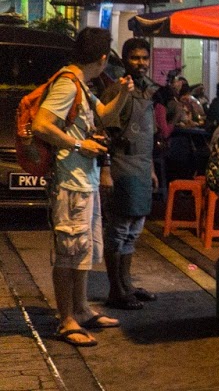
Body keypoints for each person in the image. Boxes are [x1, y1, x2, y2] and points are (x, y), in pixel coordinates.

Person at [32, 28, 132, 348]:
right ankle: (66, 320)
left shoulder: (81, 86)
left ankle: (82, 308)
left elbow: (103, 117)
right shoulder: (67, 84)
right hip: (70, 184)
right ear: (103, 58)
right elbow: (42, 125)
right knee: (69, 252)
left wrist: (124, 93)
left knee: (83, 251)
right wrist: (79, 143)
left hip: (83, 183)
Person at [101, 39, 160, 310]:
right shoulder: (117, 90)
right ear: (124, 60)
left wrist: (150, 169)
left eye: (145, 58)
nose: (142, 63)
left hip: (141, 168)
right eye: (135, 58)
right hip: (121, 169)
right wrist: (106, 170)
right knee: (118, 231)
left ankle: (127, 285)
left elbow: (147, 135)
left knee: (134, 231)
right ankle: (116, 291)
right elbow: (103, 134)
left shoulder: (147, 91)